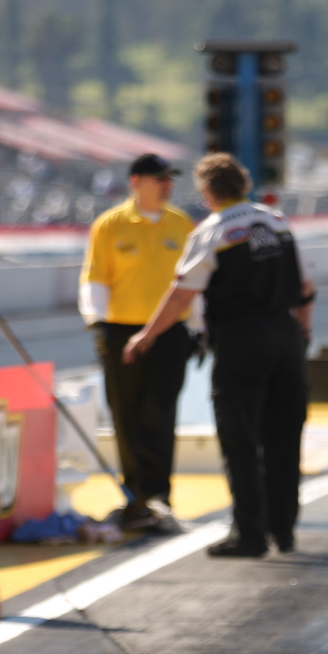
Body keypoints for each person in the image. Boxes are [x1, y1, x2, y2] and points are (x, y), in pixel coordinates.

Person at [123, 153, 313, 559]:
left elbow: (181, 295)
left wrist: (145, 335)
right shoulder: (278, 222)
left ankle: (250, 533)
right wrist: (303, 331)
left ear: (208, 192)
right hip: (286, 334)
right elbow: (307, 286)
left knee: (240, 436)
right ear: (244, 184)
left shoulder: (212, 231)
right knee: (284, 435)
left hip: (240, 337)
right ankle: (285, 530)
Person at [79, 152, 197, 533]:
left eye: (169, 179)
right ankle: (134, 496)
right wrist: (97, 324)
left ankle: (159, 496)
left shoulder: (182, 224)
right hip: (120, 331)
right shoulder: (110, 225)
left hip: (170, 333)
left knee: (160, 413)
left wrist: (200, 327)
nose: (166, 185)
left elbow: (196, 283)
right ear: (136, 182)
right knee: (125, 415)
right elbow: (95, 277)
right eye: (158, 179)